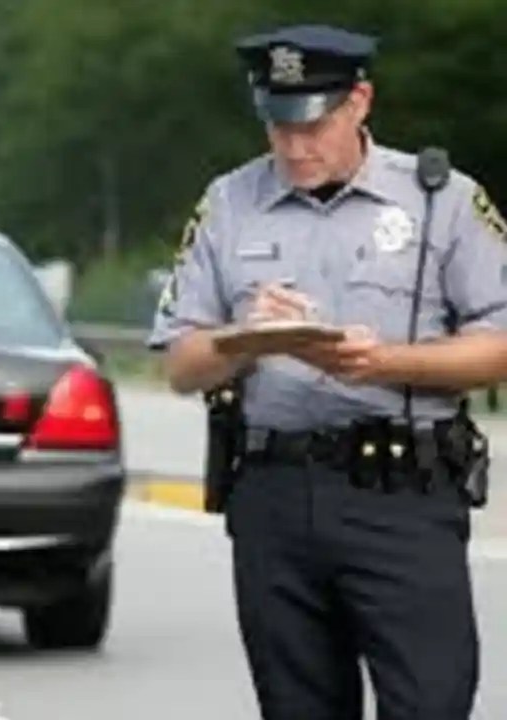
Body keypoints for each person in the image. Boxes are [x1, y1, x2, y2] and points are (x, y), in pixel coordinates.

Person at [147, 24, 507, 720]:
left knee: (432, 703)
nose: (293, 146)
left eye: (311, 125)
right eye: (277, 126)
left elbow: (502, 342)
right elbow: (182, 366)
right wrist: (244, 338)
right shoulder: (228, 202)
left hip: (403, 493)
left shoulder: (441, 199)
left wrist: (385, 363)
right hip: (273, 495)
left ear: (359, 102)